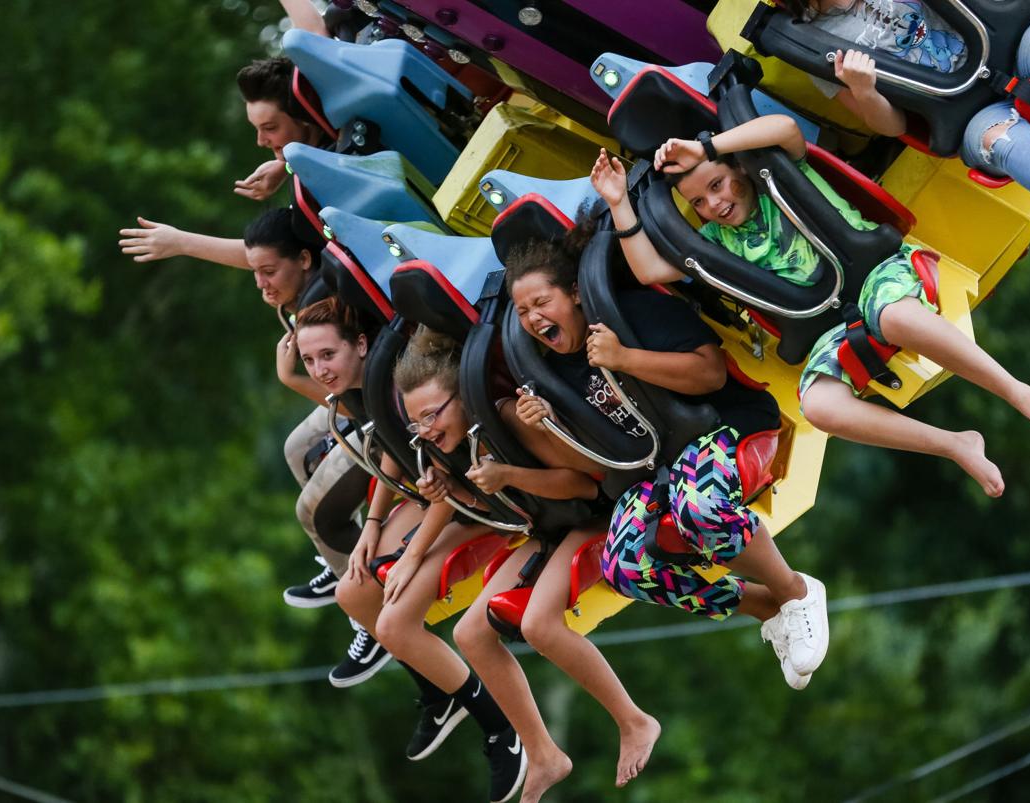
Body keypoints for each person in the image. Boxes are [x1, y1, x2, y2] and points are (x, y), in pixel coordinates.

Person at [590, 110, 1030, 498]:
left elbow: (786, 129)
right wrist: (618, 202)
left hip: (876, 277)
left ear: (738, 168)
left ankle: (1017, 392)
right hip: (830, 325)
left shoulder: (777, 175)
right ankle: (955, 444)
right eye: (698, 203)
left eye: (716, 186)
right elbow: (650, 270)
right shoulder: (715, 243)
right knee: (819, 405)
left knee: (895, 316)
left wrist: (706, 148)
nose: (713, 205)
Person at [498, 219, 831, 693]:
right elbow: (590, 463)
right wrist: (548, 423)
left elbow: (710, 374)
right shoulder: (553, 374)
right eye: (523, 311)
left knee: (699, 506)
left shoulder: (631, 314)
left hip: (725, 424)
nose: (533, 318)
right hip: (662, 466)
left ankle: (796, 591)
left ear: (573, 294)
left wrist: (624, 358)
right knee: (624, 566)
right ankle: (767, 606)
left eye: (541, 303)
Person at [434, 309, 661, 800]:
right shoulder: (446, 440)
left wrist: (508, 477)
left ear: (460, 397)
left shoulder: (513, 414)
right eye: (416, 421)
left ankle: (634, 720)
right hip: (550, 525)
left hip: (594, 513)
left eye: (433, 414)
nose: (426, 428)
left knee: (539, 626)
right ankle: (543, 755)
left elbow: (583, 483)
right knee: (468, 633)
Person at [327, 322, 527, 803]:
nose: (317, 371)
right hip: (458, 498)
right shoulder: (412, 406)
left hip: (494, 509)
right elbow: (405, 453)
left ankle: (503, 730)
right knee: (351, 591)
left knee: (395, 623)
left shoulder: (485, 417)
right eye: (306, 362)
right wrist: (373, 524)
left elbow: (461, 492)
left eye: (324, 357)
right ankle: (439, 693)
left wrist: (411, 555)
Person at [788, 0, 1030, 243]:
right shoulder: (817, 48)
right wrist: (865, 91)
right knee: (999, 141)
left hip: (1010, 43)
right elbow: (894, 127)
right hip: (966, 112)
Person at [240, 209, 388, 687]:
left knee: (313, 512)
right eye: (254, 272)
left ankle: (368, 613)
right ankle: (336, 558)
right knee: (296, 446)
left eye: (268, 273)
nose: (260, 284)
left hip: (376, 416)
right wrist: (180, 242)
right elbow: (248, 257)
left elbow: (347, 405)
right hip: (357, 406)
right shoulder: (304, 290)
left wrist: (291, 377)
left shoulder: (323, 299)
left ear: (303, 259)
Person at [117, 57, 328, 268]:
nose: (261, 141)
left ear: (304, 116)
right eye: (257, 129)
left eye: (270, 128)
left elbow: (272, 257)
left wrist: (180, 243)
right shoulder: (312, 163)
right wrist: (286, 165)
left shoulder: (328, 177)